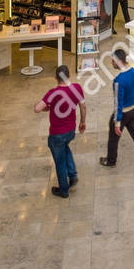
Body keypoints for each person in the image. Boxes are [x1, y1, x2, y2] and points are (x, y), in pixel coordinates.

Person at [99, 48, 134, 177]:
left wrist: (117, 122)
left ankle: (111, 160)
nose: (112, 63)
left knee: (113, 138)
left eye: (113, 61)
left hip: (123, 113)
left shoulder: (118, 81)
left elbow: (118, 103)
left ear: (118, 62)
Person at [35, 64, 85, 199]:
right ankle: (73, 176)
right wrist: (82, 122)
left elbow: (37, 108)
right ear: (69, 76)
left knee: (59, 162)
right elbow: (83, 106)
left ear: (55, 78)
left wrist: (49, 108)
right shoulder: (77, 88)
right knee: (65, 147)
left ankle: (64, 190)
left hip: (57, 133)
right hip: (70, 130)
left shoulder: (53, 93)